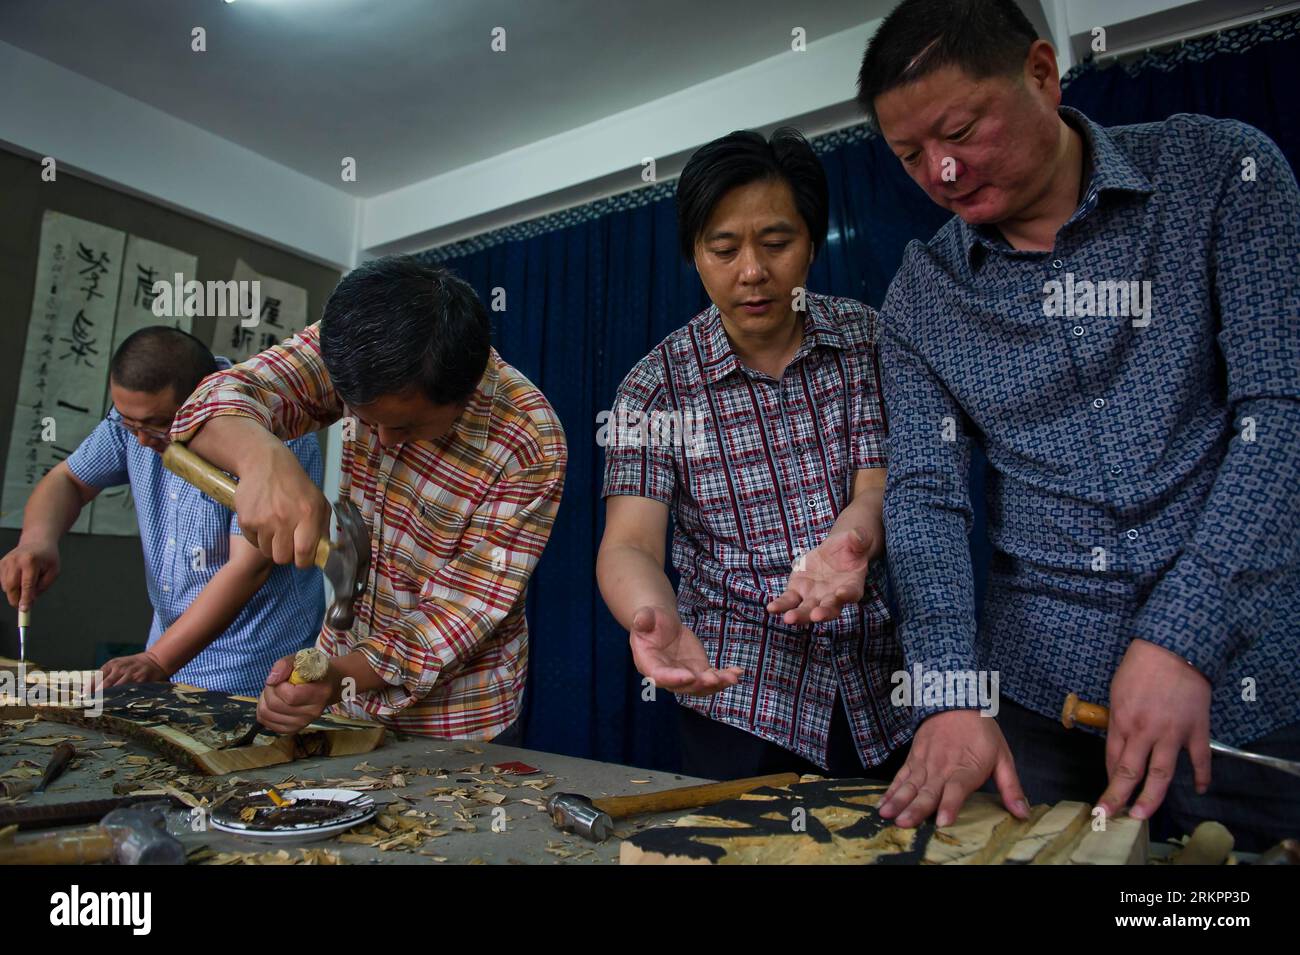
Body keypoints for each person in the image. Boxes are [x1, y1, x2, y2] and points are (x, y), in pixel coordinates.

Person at [858, 0, 1300, 850]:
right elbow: (924, 500)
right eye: (910, 156)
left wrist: (1183, 634)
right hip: (1045, 711)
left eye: (959, 131)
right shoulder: (921, 295)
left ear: (1040, 74)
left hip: (1250, 690)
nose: (942, 175)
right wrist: (949, 689)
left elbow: (1280, 414)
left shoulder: (1223, 174)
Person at [597, 128, 911, 781]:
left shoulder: (867, 341)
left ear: (814, 240)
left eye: (776, 243)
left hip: (879, 685)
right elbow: (631, 543)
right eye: (723, 248)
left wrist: (852, 541)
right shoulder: (654, 387)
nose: (751, 271)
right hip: (739, 691)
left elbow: (875, 488)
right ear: (693, 253)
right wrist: (649, 616)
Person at [169, 255, 567, 742]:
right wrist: (261, 459)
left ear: (464, 394)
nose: (379, 440)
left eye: (404, 427)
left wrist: (342, 676)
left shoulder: (527, 441)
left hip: (460, 717)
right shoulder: (356, 345)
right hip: (343, 688)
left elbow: (454, 618)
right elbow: (215, 401)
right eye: (363, 419)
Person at [0, 327, 324, 696]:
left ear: (204, 397)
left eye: (158, 425)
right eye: (129, 423)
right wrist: (37, 541)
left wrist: (157, 660)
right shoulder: (135, 422)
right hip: (166, 654)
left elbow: (248, 567)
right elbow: (68, 480)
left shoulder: (276, 432)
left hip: (252, 664)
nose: (140, 439)